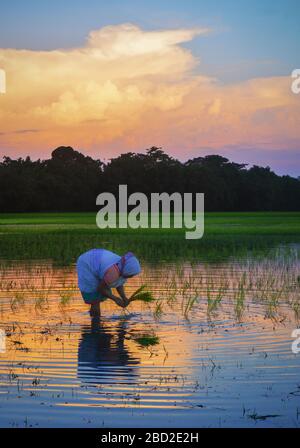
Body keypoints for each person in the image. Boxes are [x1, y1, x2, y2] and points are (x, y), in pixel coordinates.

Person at [76, 248, 141, 316]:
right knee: (95, 300)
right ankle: (95, 322)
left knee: (98, 297)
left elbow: (119, 283)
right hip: (87, 263)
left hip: (96, 258)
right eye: (131, 275)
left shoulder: (123, 265)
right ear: (127, 271)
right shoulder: (113, 272)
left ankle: (95, 319)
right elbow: (100, 288)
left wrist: (124, 297)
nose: (132, 276)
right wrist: (115, 299)